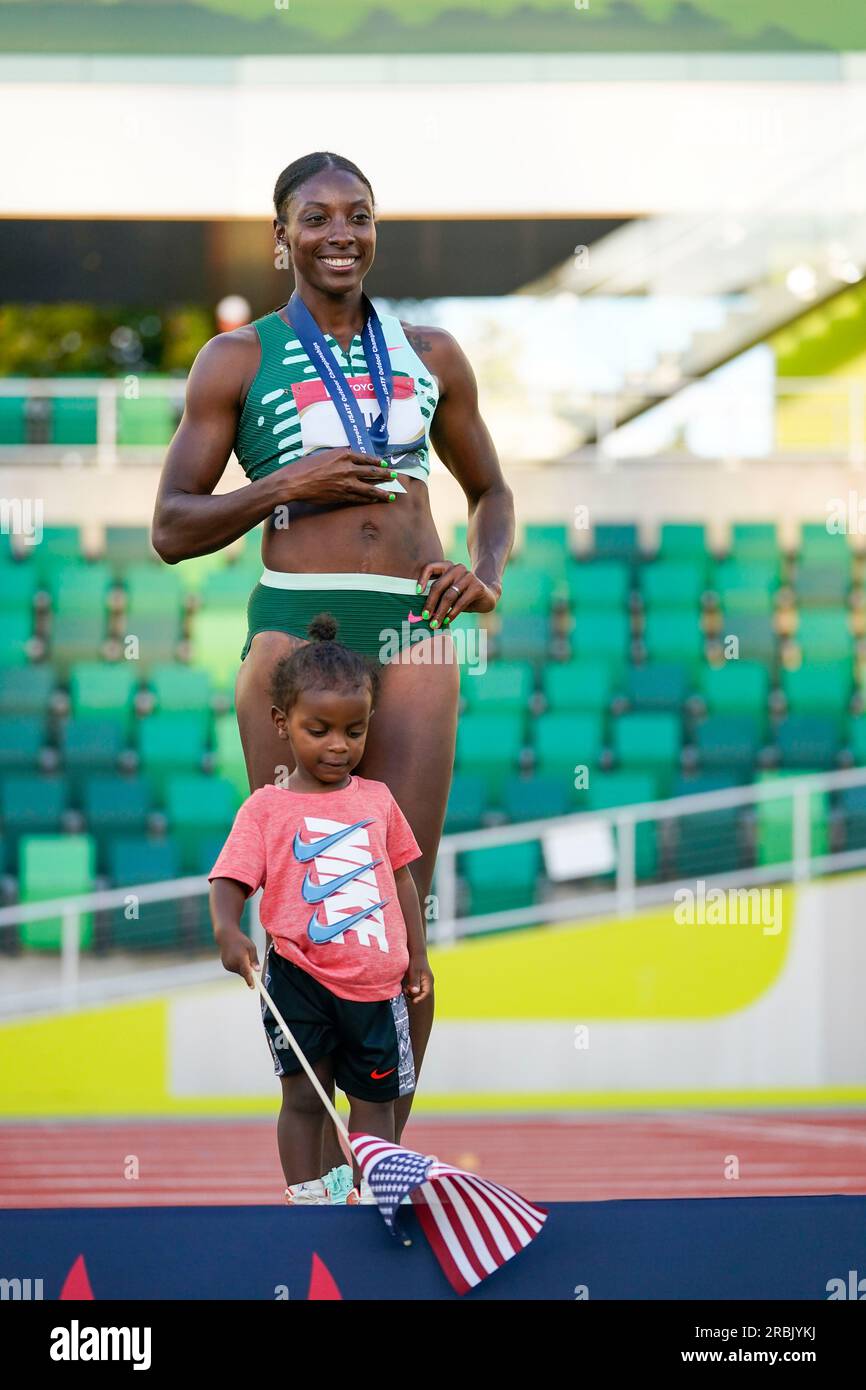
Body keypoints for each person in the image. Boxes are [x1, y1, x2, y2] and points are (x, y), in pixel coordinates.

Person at [152, 149, 514, 1177]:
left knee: (401, 906)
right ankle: (311, 1183)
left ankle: (382, 1169)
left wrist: (483, 570)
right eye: (317, 217)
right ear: (282, 236)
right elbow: (171, 527)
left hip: (414, 629)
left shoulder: (432, 351)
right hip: (296, 636)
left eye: (358, 213)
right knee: (311, 904)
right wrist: (287, 483)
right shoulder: (236, 359)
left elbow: (493, 493)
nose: (340, 232)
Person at [208, 614, 433, 1205]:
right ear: (283, 725)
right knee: (305, 1097)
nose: (339, 745)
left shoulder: (378, 800)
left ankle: (370, 1198)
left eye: (354, 731)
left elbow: (403, 881)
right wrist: (227, 932)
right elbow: (230, 879)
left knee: (376, 1105)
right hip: (299, 981)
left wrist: (418, 957)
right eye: (320, 730)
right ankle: (306, 1199)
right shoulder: (265, 810)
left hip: (378, 988)